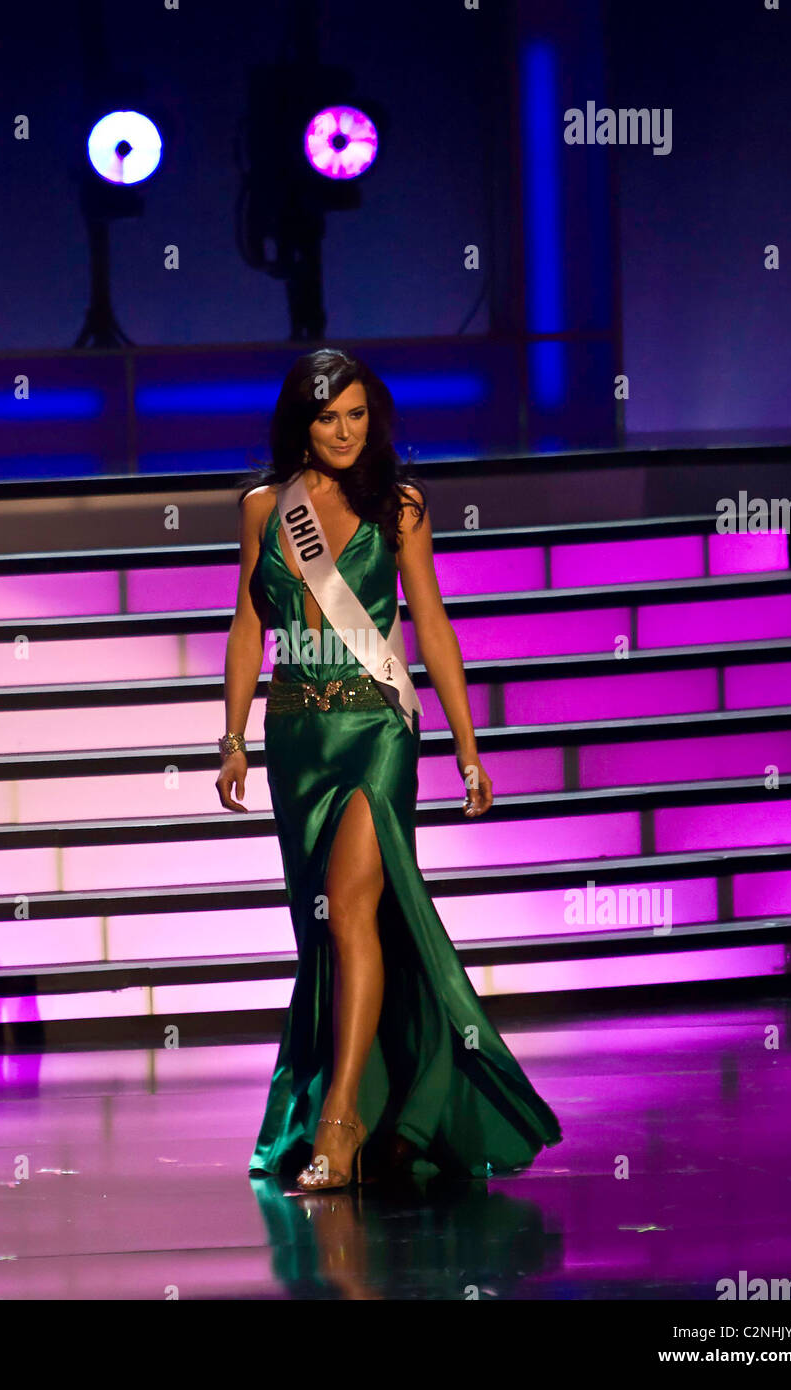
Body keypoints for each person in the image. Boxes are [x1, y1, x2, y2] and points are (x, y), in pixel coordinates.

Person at [217, 348, 562, 1191]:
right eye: (329, 416)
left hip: (375, 730)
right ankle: (403, 1099)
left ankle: (341, 1118)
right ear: (301, 421)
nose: (344, 431)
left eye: (359, 415)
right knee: (331, 931)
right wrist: (229, 737)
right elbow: (246, 625)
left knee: (353, 912)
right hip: (296, 737)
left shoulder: (400, 506)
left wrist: (469, 746)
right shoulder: (265, 508)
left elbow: (433, 624)